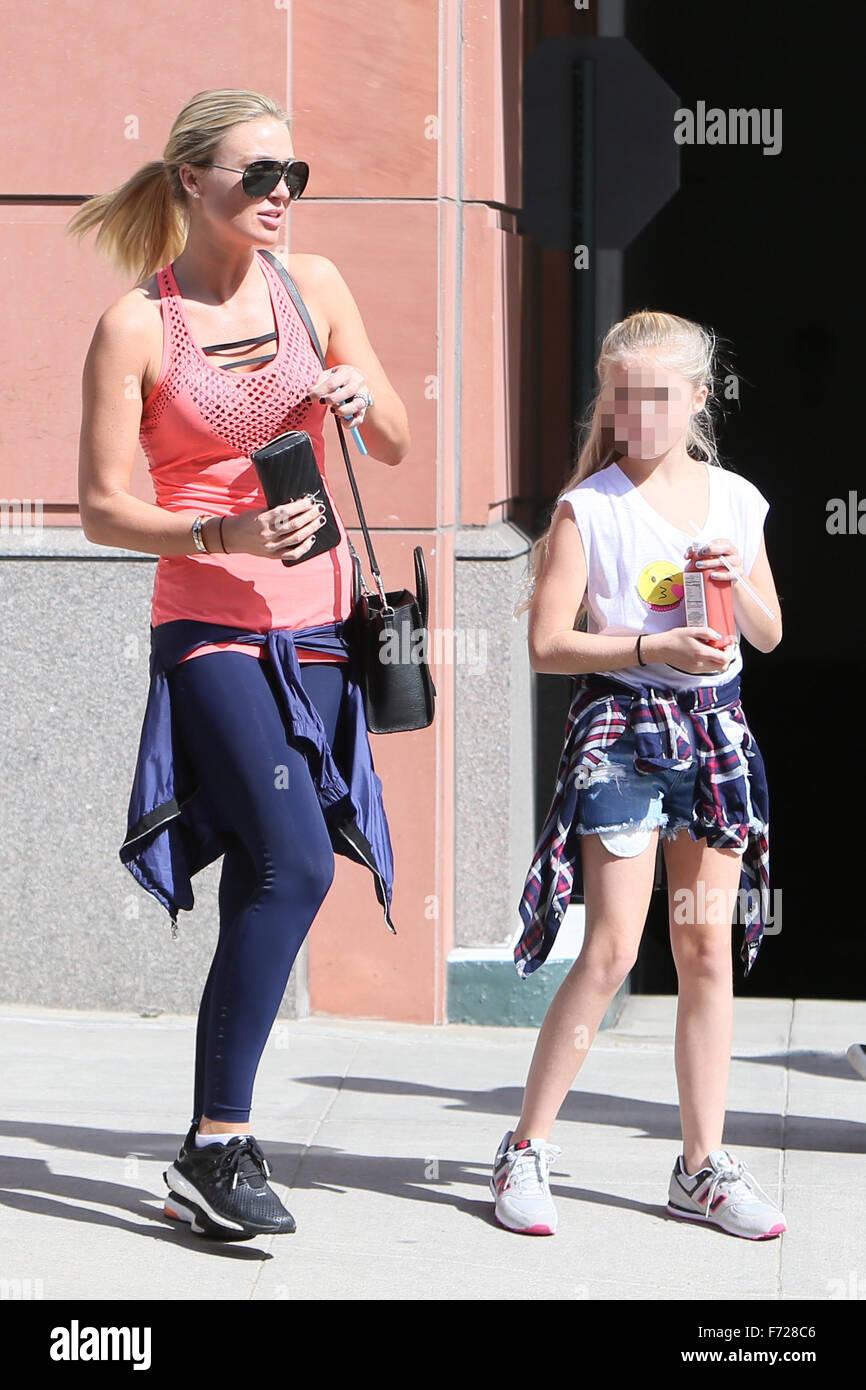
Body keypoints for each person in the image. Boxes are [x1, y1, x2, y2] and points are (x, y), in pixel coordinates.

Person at [70, 88, 409, 1241]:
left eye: (292, 175)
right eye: (255, 175)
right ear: (186, 184)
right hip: (208, 622)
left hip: (317, 624)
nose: (279, 196)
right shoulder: (136, 326)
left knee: (271, 869)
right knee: (297, 860)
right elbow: (103, 509)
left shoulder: (312, 289)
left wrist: (365, 403)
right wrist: (215, 532)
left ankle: (211, 1146)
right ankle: (220, 1143)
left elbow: (398, 438)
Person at [490, 311, 786, 1241]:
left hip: (717, 731)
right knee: (613, 948)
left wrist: (738, 579)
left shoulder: (739, 500)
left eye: (658, 396)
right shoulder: (592, 507)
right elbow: (545, 643)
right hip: (621, 726)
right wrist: (652, 642)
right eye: (624, 397)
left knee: (704, 950)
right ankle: (526, 1149)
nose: (639, 414)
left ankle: (702, 1166)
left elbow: (770, 634)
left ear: (698, 400)